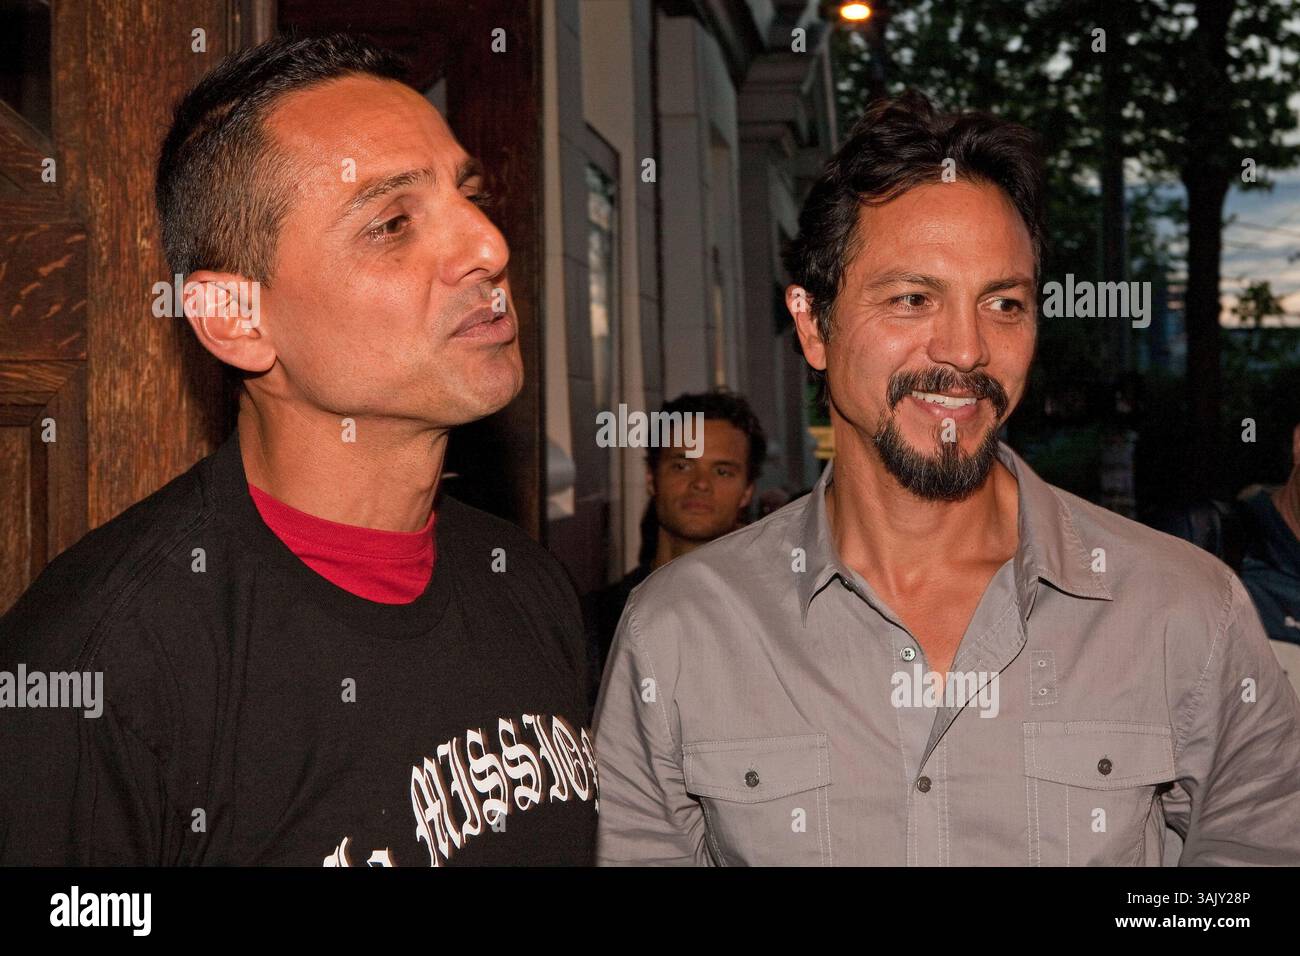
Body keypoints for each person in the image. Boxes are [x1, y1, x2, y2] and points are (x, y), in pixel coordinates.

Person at [592, 91, 1300, 866]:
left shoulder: (1184, 611)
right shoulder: (680, 633)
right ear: (812, 326)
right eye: (912, 298)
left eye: (1003, 302)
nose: (964, 349)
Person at [0, 34, 596, 866]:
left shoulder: (524, 583)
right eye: (392, 223)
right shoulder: (102, 664)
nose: (488, 246)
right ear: (238, 319)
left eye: (469, 194)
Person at [585, 389, 766, 688]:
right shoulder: (599, 621)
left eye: (722, 471)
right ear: (651, 478)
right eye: (682, 465)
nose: (700, 484)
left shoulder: (770, 617)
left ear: (747, 490)